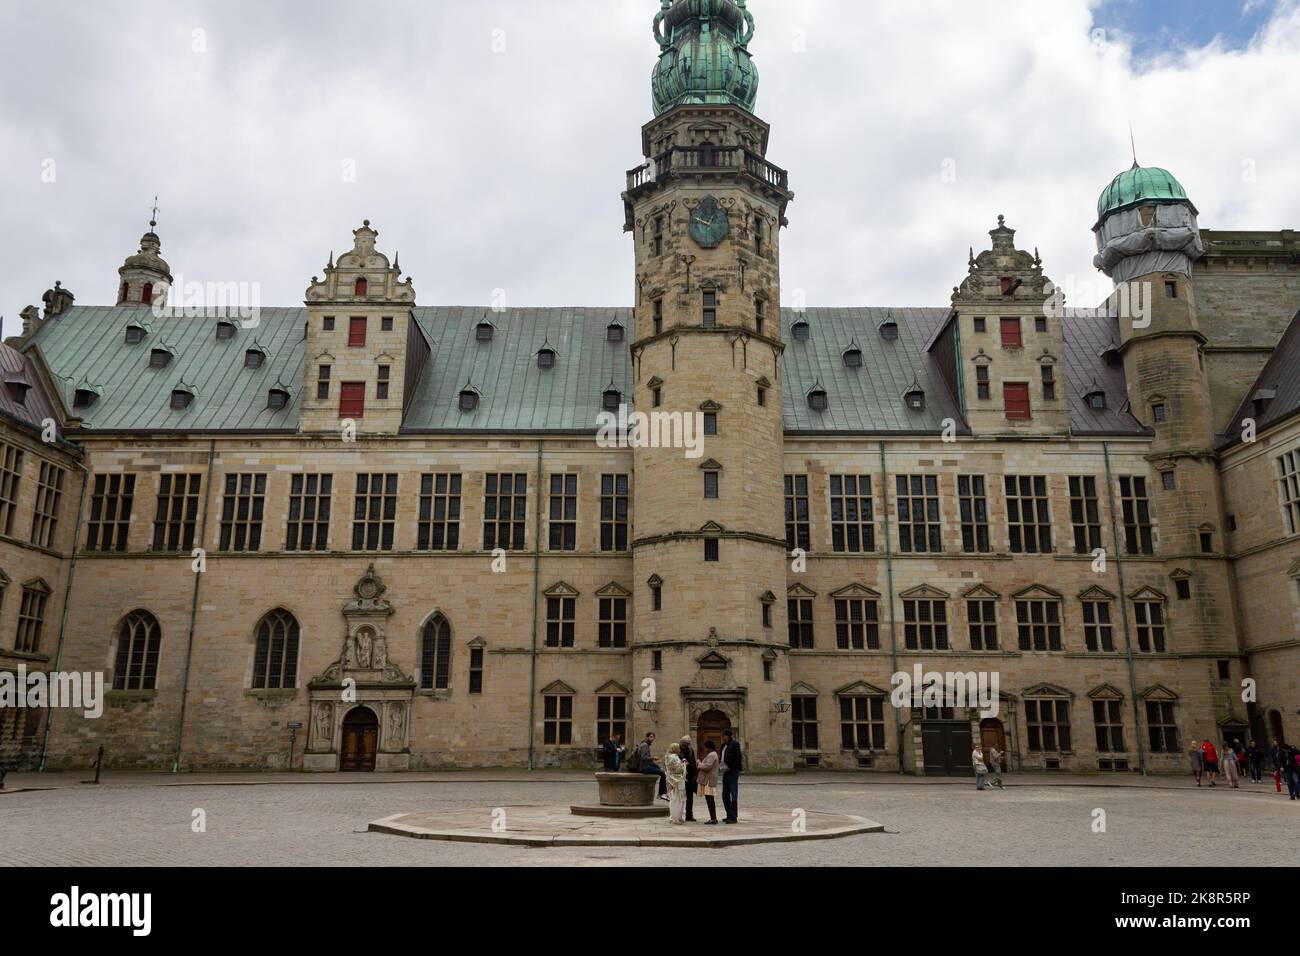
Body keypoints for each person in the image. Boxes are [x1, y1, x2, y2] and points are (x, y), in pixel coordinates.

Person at [720, 729, 743, 824]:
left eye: (724, 735)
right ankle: (729, 814)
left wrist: (731, 767)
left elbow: (738, 758)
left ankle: (733, 817)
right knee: (725, 794)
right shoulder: (723, 746)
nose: (723, 737)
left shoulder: (734, 744)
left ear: (728, 736)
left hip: (733, 772)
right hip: (725, 772)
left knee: (733, 794)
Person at [635, 731, 668, 798]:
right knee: (663, 774)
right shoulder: (645, 745)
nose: (652, 739)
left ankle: (661, 793)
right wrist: (653, 758)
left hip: (646, 765)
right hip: (644, 767)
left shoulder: (645, 744)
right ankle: (661, 793)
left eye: (653, 737)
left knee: (662, 772)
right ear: (647, 737)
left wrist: (658, 767)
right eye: (651, 737)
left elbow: (649, 761)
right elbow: (643, 757)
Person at [696, 740, 720, 824]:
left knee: (710, 799)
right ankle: (713, 817)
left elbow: (707, 766)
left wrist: (699, 763)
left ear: (709, 747)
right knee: (709, 799)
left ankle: (713, 818)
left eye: (706, 747)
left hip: (708, 780)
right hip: (708, 779)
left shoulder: (712, 755)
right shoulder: (712, 754)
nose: (705, 749)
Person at [664, 742, 686, 824]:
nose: (680, 750)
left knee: (674, 799)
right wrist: (684, 764)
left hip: (671, 780)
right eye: (678, 748)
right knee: (678, 800)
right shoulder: (674, 757)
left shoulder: (668, 756)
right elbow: (679, 769)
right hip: (678, 780)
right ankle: (676, 819)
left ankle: (674, 817)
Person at [679, 735, 698, 822]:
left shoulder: (690, 750)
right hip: (682, 776)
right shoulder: (678, 750)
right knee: (681, 797)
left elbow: (693, 762)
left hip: (690, 776)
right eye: (684, 744)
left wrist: (695, 774)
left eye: (687, 744)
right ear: (681, 743)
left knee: (690, 797)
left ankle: (689, 815)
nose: (686, 746)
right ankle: (679, 815)